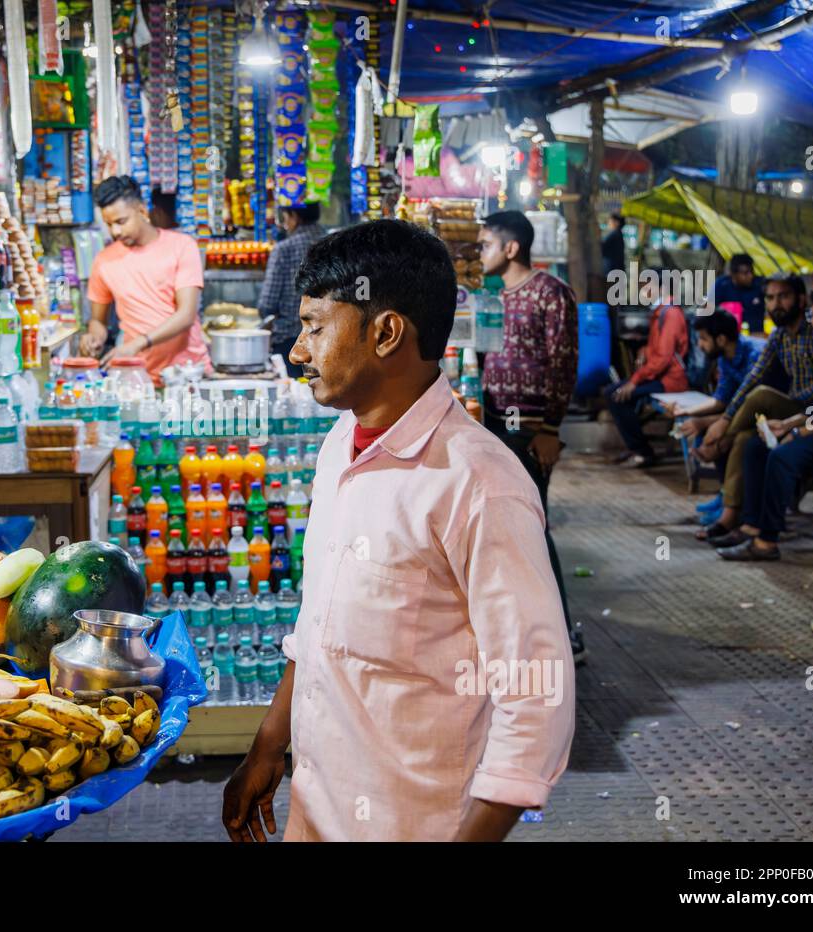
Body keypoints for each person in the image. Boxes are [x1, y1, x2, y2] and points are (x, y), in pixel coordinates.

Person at [221, 219, 573, 842]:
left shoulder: (480, 483)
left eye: (314, 327)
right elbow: (318, 627)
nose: (298, 351)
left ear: (385, 333)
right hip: (316, 809)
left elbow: (536, 699)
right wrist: (268, 747)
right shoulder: (339, 448)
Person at [477, 211, 583, 663]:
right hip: (494, 423)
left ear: (511, 248)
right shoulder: (492, 296)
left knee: (531, 525)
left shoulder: (550, 293)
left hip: (531, 428)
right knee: (508, 525)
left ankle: (562, 634)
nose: (480, 253)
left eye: (484, 244)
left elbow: (563, 363)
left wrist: (552, 429)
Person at [718, 285, 813, 561]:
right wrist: (788, 424)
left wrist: (800, 431)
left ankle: (766, 542)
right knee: (757, 447)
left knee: (783, 457)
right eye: (812, 315)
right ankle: (752, 524)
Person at [697, 274, 813, 545]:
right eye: (770, 297)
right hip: (791, 409)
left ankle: (721, 437)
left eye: (783, 296)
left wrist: (723, 422)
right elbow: (752, 377)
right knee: (746, 440)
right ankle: (738, 518)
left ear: (801, 300)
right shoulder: (778, 336)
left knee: (761, 395)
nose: (775, 304)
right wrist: (727, 422)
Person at [81, 175, 211, 380]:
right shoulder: (104, 261)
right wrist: (94, 337)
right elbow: (98, 320)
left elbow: (186, 314)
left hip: (188, 373)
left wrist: (137, 344)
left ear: (141, 211)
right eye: (108, 224)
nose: (115, 231)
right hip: (138, 377)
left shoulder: (182, 247)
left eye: (121, 222)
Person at [604, 272, 688, 467]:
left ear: (661, 287)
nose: (643, 290)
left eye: (646, 285)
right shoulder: (661, 311)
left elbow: (664, 358)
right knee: (615, 392)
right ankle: (636, 448)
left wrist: (635, 381)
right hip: (659, 376)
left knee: (617, 395)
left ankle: (642, 452)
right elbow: (658, 350)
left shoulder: (671, 313)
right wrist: (645, 350)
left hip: (670, 380)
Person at [258, 201, 326, 378]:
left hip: (289, 339)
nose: (284, 223)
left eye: (285, 216)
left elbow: (267, 304)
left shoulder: (283, 249)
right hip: (327, 338)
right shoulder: (333, 245)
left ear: (294, 217)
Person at [672, 311, 762, 434]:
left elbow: (749, 407)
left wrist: (705, 422)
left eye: (703, 339)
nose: (699, 345)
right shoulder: (724, 357)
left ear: (721, 339)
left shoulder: (755, 356)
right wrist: (685, 411)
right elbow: (721, 399)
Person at [713, 253, 765, 336]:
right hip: (731, 337)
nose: (750, 276)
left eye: (751, 271)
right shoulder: (722, 285)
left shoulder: (759, 284)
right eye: (745, 273)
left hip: (757, 336)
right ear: (733, 274)